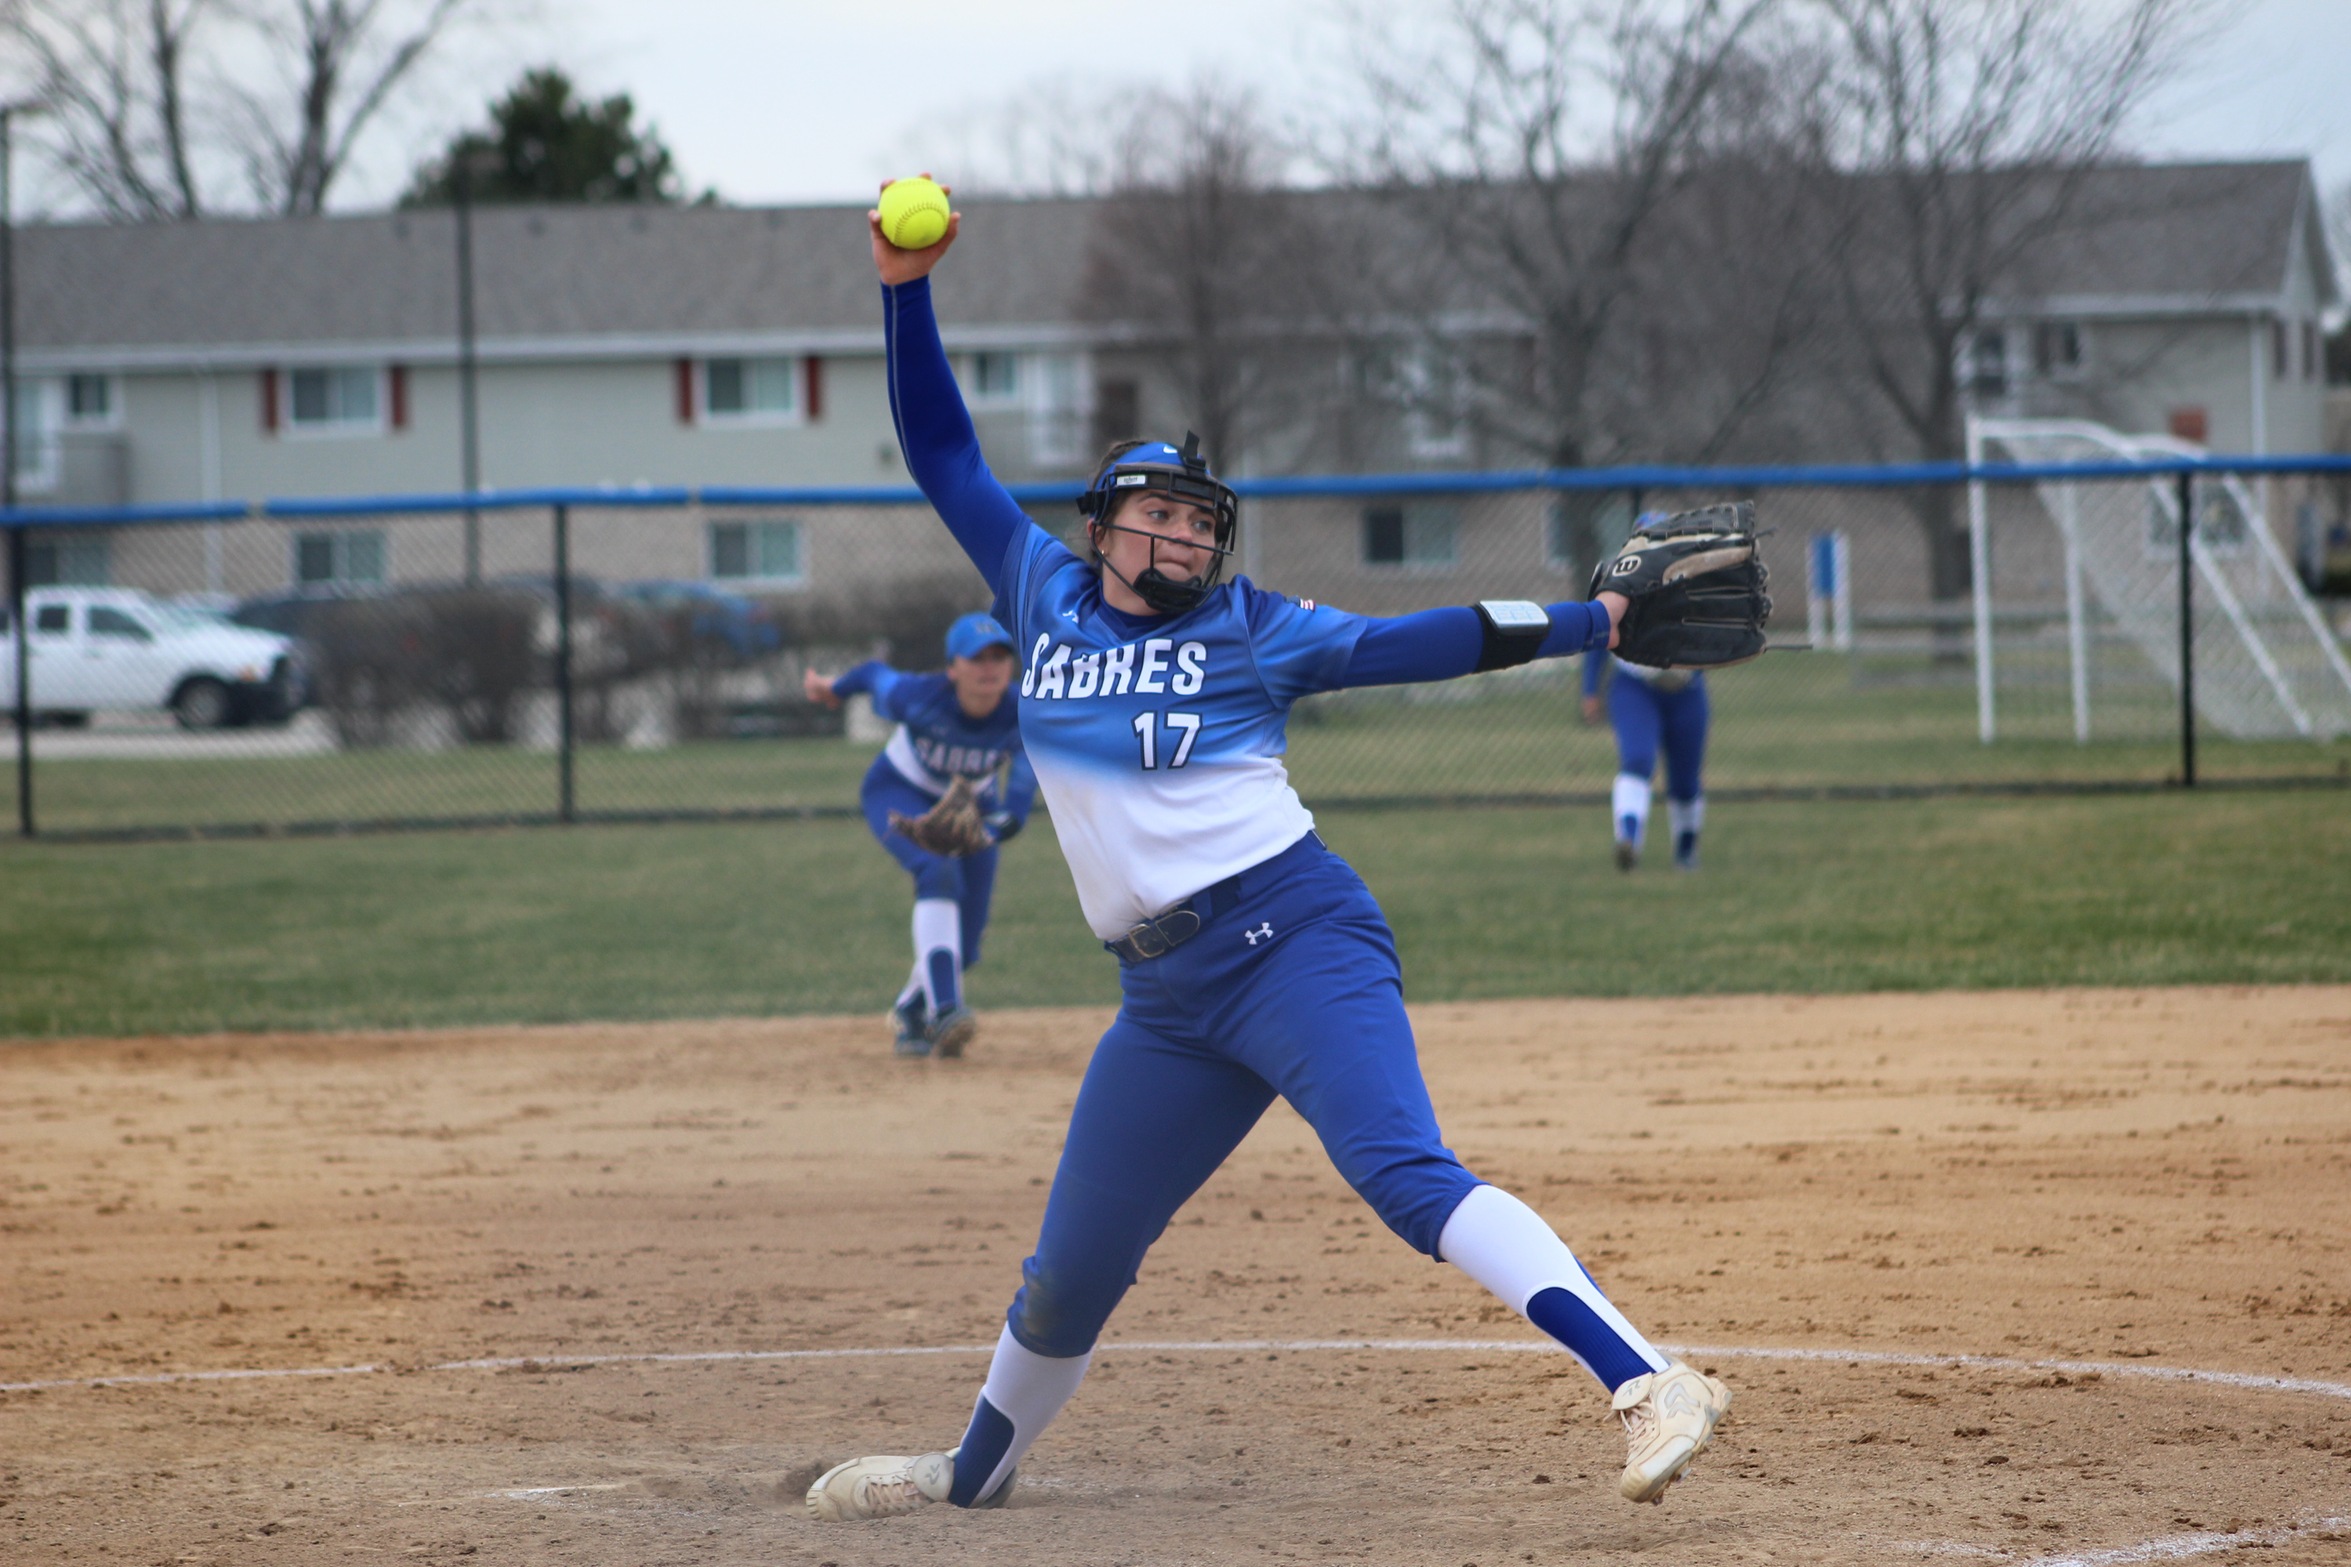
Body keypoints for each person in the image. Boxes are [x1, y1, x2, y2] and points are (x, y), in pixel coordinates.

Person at [805, 186, 1731, 1522]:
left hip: (1292, 936)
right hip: (1163, 1001)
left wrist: (1590, 618)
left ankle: (1647, 1376)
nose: (1186, 533)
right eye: (1160, 514)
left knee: (1401, 1173)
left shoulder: (1249, 625)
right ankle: (973, 1472)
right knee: (1070, 1267)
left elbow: (1416, 638)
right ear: (1101, 526)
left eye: (1201, 519)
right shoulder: (1031, 587)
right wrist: (903, 286)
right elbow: (940, 450)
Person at [805, 610, 1038, 1058]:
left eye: (999, 657)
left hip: (973, 805)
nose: (989, 669)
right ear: (952, 669)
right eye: (976, 659)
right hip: (899, 791)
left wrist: (1013, 812)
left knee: (965, 946)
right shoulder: (919, 698)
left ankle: (911, 1011)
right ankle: (947, 1010)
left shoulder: (1019, 709)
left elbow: (1027, 761)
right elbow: (875, 675)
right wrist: (832, 690)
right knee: (937, 873)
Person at [1580, 638, 1710, 872]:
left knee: (1685, 779)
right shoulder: (1629, 597)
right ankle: (1628, 841)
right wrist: (1590, 688)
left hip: (1686, 688)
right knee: (1637, 761)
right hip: (1635, 685)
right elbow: (1603, 624)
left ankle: (1686, 849)